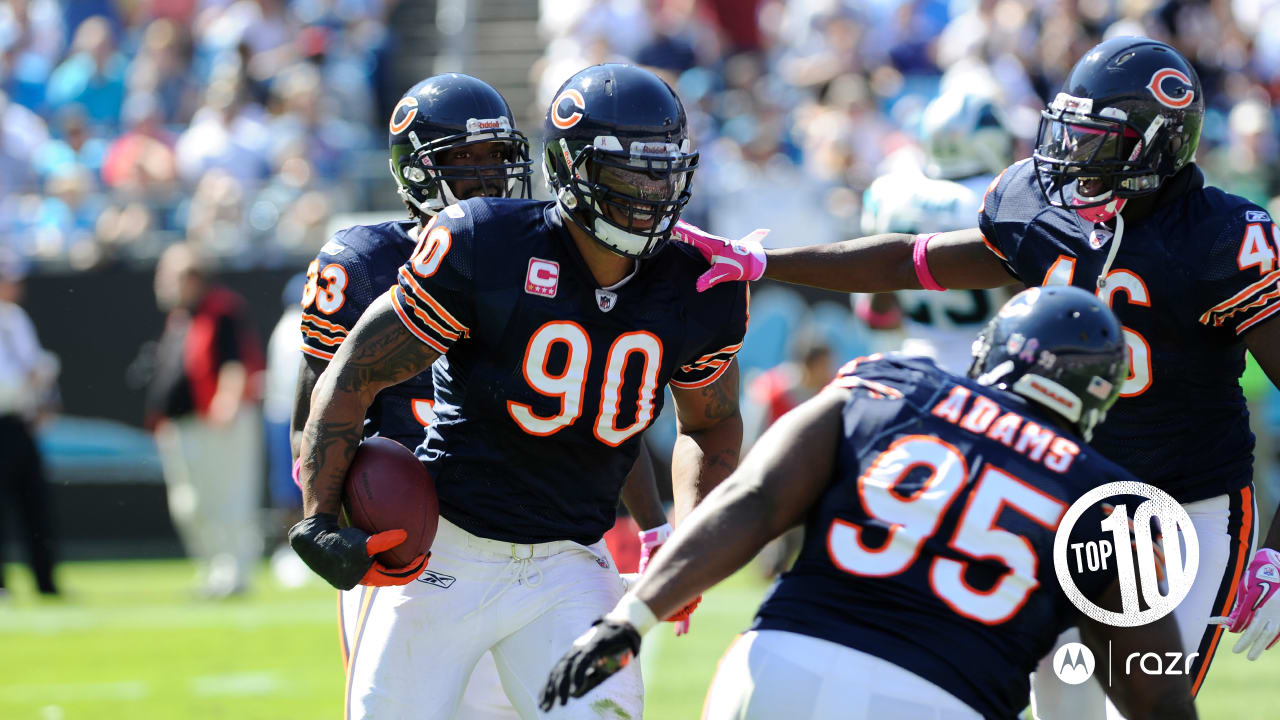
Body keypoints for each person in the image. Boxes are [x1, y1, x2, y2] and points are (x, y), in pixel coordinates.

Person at [675, 36, 1280, 714]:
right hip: (1062, 504)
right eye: (1070, 132)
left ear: (1159, 146)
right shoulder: (1040, 203)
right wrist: (766, 262)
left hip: (1180, 511)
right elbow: (908, 262)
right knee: (1059, 709)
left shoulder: (1223, 236)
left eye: (1097, 140)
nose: (1071, 154)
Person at [288, 64, 748, 720]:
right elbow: (347, 375)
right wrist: (318, 515)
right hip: (435, 541)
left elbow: (656, 424)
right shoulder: (484, 243)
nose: (650, 191)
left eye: (664, 169)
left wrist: (670, 533)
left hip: (571, 557)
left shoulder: (701, 282)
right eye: (628, 171)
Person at [541, 286, 1197, 720]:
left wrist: (630, 617)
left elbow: (756, 498)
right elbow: (1157, 694)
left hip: (776, 669)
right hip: (943, 700)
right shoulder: (1109, 502)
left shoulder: (888, 384)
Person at [858, 87, 1015, 373]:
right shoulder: (999, 200)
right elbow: (1021, 296)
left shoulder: (890, 192)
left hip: (917, 363)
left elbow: (876, 313)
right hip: (986, 367)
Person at [145, 243, 265, 599]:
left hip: (217, 420)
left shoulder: (222, 309)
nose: (164, 284)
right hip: (183, 424)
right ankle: (212, 569)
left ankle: (234, 573)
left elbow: (235, 360)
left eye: (172, 276)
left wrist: (227, 401)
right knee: (188, 504)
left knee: (227, 498)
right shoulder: (180, 317)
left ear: (195, 278)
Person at [0, 252, 60, 597]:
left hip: (20, 423)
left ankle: (46, 583)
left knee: (35, 504)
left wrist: (45, 398)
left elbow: (37, 365)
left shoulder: (16, 318)